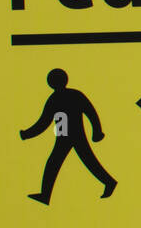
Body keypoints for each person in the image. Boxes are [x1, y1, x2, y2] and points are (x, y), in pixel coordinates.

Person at [20, 68, 117, 205]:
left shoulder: (67, 97)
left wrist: (97, 131)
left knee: (67, 162)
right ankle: (45, 195)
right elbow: (44, 121)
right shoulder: (61, 98)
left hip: (72, 135)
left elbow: (90, 112)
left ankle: (45, 195)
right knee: (78, 161)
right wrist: (28, 134)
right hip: (63, 135)